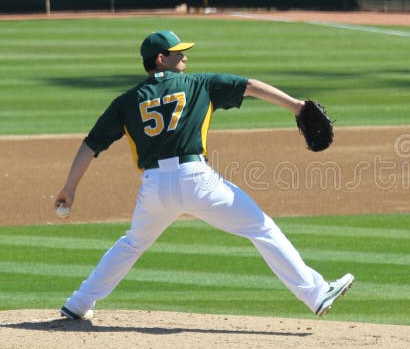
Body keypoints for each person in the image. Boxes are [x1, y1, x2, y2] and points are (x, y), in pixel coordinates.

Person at [55, 30, 354, 320]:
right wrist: (297, 106)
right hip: (196, 179)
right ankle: (316, 294)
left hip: (155, 188)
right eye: (178, 53)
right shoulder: (199, 83)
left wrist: (69, 188)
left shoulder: (127, 100)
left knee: (132, 244)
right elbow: (250, 86)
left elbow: (90, 145)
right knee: (261, 228)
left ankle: (79, 303)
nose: (185, 57)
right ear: (160, 59)